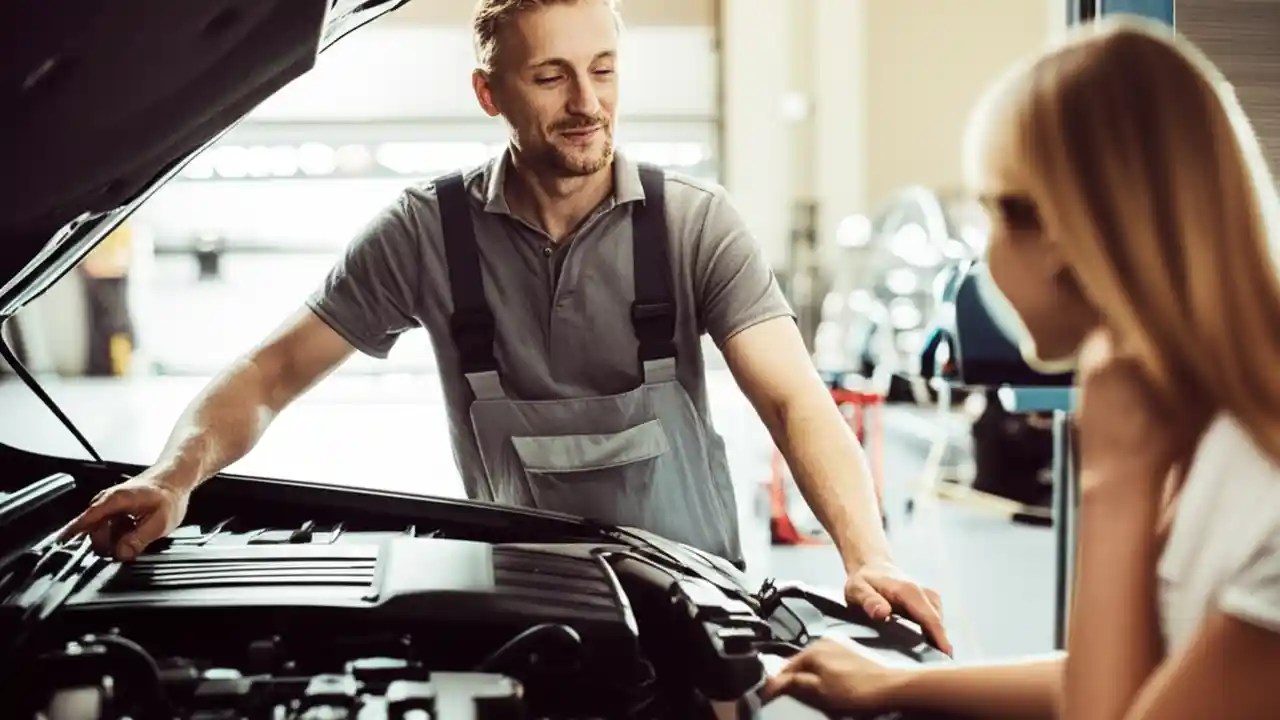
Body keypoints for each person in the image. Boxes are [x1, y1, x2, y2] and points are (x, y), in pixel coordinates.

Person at [58, 0, 951, 653]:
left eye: (604, 69)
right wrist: (175, 475)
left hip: (698, 611)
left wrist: (866, 555)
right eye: (551, 75)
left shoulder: (691, 223)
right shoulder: (425, 234)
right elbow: (270, 372)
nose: (587, 101)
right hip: (521, 620)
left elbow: (795, 401)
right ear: (489, 92)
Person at [764, 16, 1280, 719]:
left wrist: (1116, 485)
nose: (989, 258)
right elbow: (1139, 671)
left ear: (1067, 235)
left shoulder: (1257, 481)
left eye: (996, 219)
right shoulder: (1201, 423)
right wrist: (892, 684)